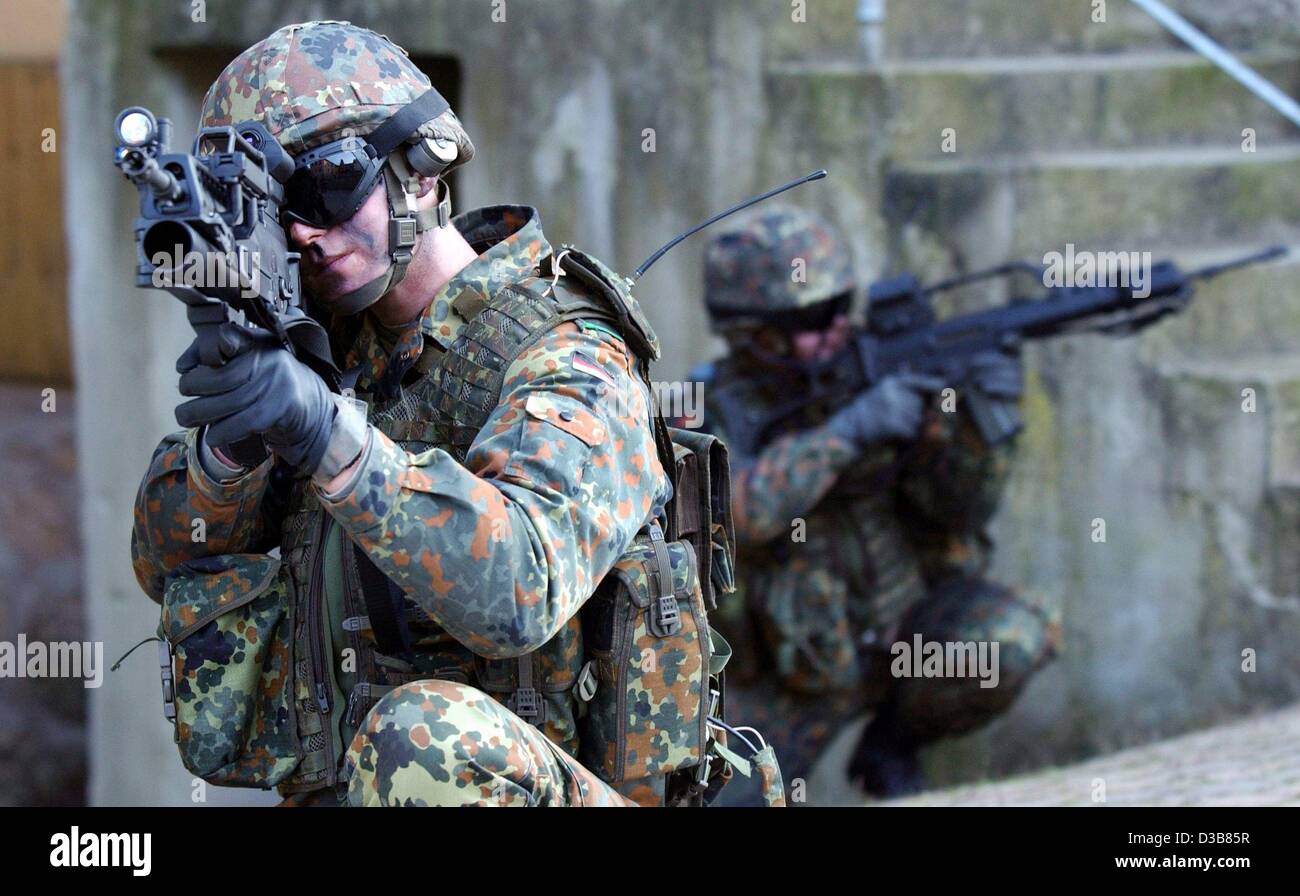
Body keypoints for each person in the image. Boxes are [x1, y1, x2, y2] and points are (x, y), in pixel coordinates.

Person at [130, 20, 719, 807]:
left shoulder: (568, 349)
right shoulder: (325, 350)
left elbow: (520, 587)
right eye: (278, 208)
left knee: (423, 741)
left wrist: (330, 441)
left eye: (327, 185)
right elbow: (163, 563)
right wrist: (229, 457)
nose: (305, 230)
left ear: (421, 168)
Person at [691, 205, 1058, 802]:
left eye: (841, 308)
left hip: (903, 641)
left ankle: (893, 741)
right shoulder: (710, 409)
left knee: (1007, 640)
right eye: (814, 317)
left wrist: (982, 428)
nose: (836, 328)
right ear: (751, 330)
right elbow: (733, 515)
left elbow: (962, 511)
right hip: (788, 678)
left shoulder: (883, 366)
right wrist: (849, 433)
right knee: (709, 799)